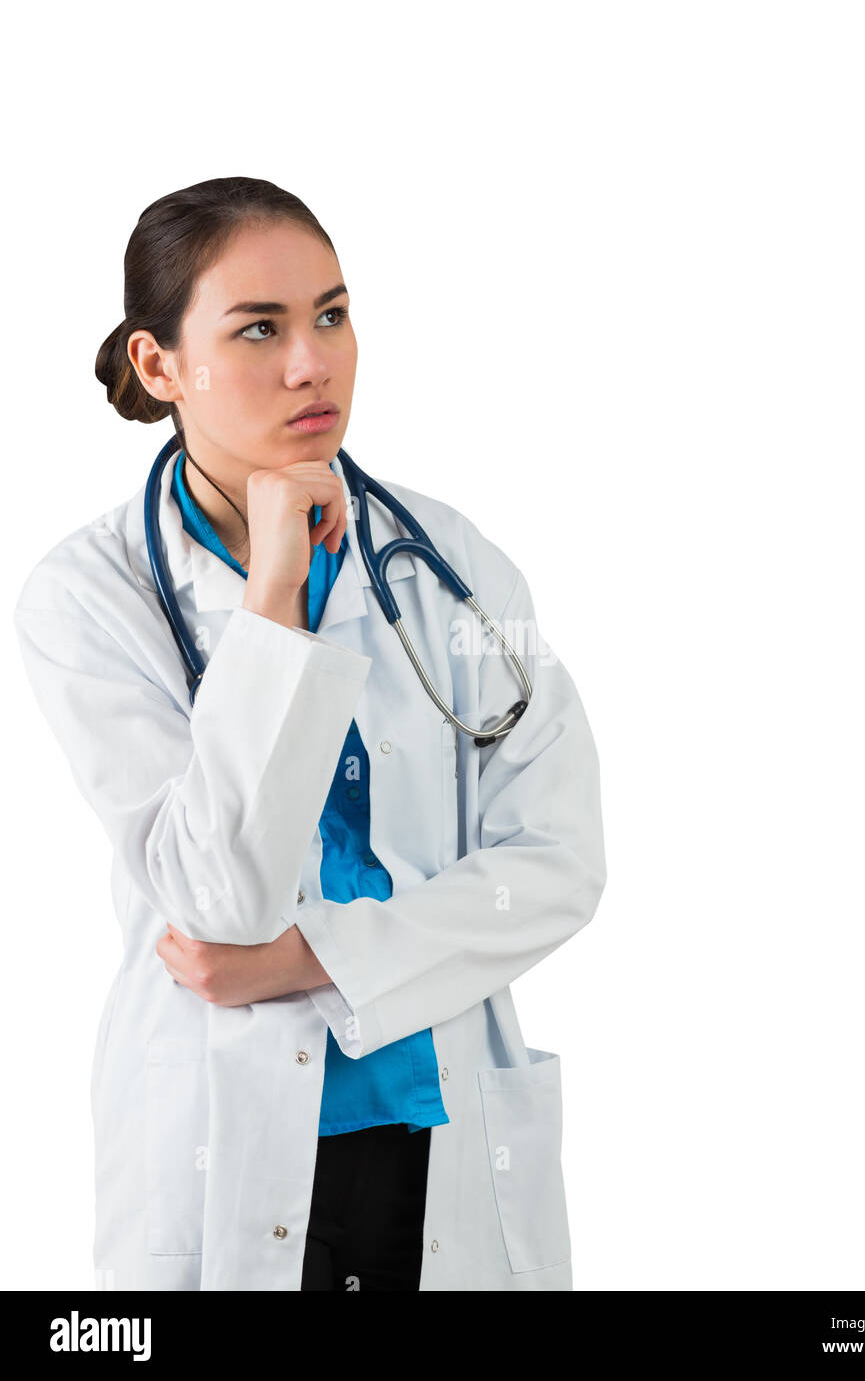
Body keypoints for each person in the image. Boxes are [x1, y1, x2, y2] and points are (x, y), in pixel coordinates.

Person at [12, 176, 606, 1292]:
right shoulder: (86, 597)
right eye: (258, 329)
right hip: (218, 1143)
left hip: (438, 1132)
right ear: (157, 366)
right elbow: (215, 893)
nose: (311, 363)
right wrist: (273, 597)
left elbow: (558, 862)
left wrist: (307, 962)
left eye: (331, 314)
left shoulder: (456, 563)